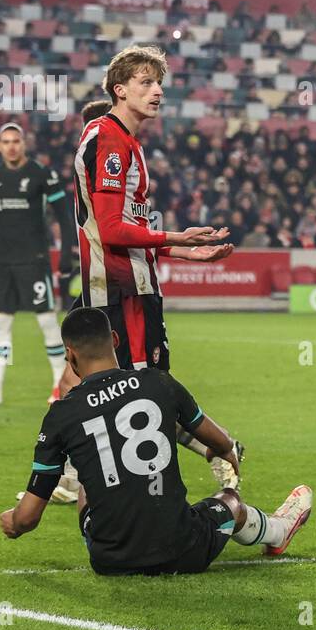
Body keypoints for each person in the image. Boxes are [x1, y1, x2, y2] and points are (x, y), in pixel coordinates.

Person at [0, 307, 313, 574]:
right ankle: (278, 532)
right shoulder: (158, 382)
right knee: (229, 502)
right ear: (116, 340)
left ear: (69, 354)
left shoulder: (61, 414)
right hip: (182, 549)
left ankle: (121, 537)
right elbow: (219, 440)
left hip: (109, 559)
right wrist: (225, 453)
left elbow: (27, 518)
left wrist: (12, 522)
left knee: (86, 485)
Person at [62, 44, 237, 489]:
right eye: (146, 82)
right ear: (120, 90)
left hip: (123, 286)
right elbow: (112, 229)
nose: (157, 91)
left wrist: (186, 253)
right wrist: (175, 236)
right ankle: (218, 449)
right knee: (135, 389)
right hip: (119, 292)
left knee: (109, 385)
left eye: (159, 83)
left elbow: (130, 231)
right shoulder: (109, 140)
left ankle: (72, 476)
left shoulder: (127, 144)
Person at [0, 123, 75, 407]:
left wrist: (65, 253)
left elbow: (64, 216)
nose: (11, 146)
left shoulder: (42, 175)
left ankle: (61, 385)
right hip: (4, 262)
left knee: (47, 320)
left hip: (34, 260)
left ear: (24, 144)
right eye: (6, 141)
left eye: (16, 141)